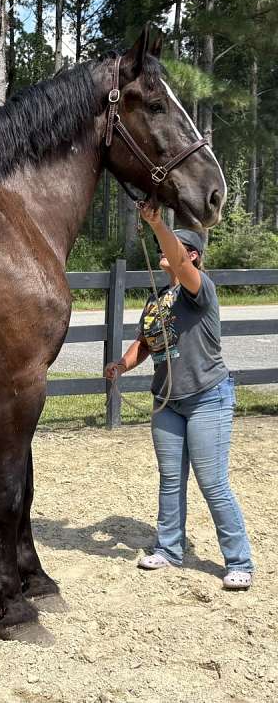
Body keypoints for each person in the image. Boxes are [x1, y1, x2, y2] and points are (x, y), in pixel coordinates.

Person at [103, 202, 254, 590]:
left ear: (192, 256)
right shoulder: (157, 300)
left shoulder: (198, 290)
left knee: (212, 483)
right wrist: (121, 365)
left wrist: (157, 223)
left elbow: (179, 262)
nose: (163, 252)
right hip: (167, 402)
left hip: (207, 397)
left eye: (174, 248)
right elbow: (145, 342)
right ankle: (169, 549)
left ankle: (239, 561)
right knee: (171, 480)